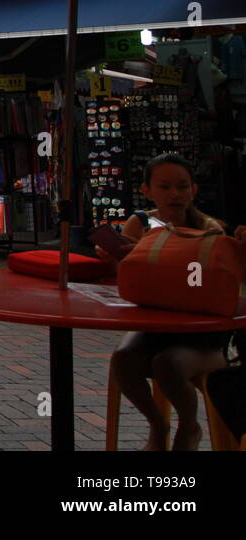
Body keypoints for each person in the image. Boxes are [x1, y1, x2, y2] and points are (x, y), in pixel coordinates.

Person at [99, 153, 239, 450]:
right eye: (164, 187)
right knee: (122, 359)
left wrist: (166, 261)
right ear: (147, 191)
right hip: (152, 328)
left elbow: (207, 285)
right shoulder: (139, 226)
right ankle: (157, 423)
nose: (174, 194)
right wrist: (116, 259)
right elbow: (125, 283)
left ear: (193, 190)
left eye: (182, 186)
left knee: (168, 364)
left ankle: (189, 427)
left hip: (203, 337)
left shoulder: (212, 230)